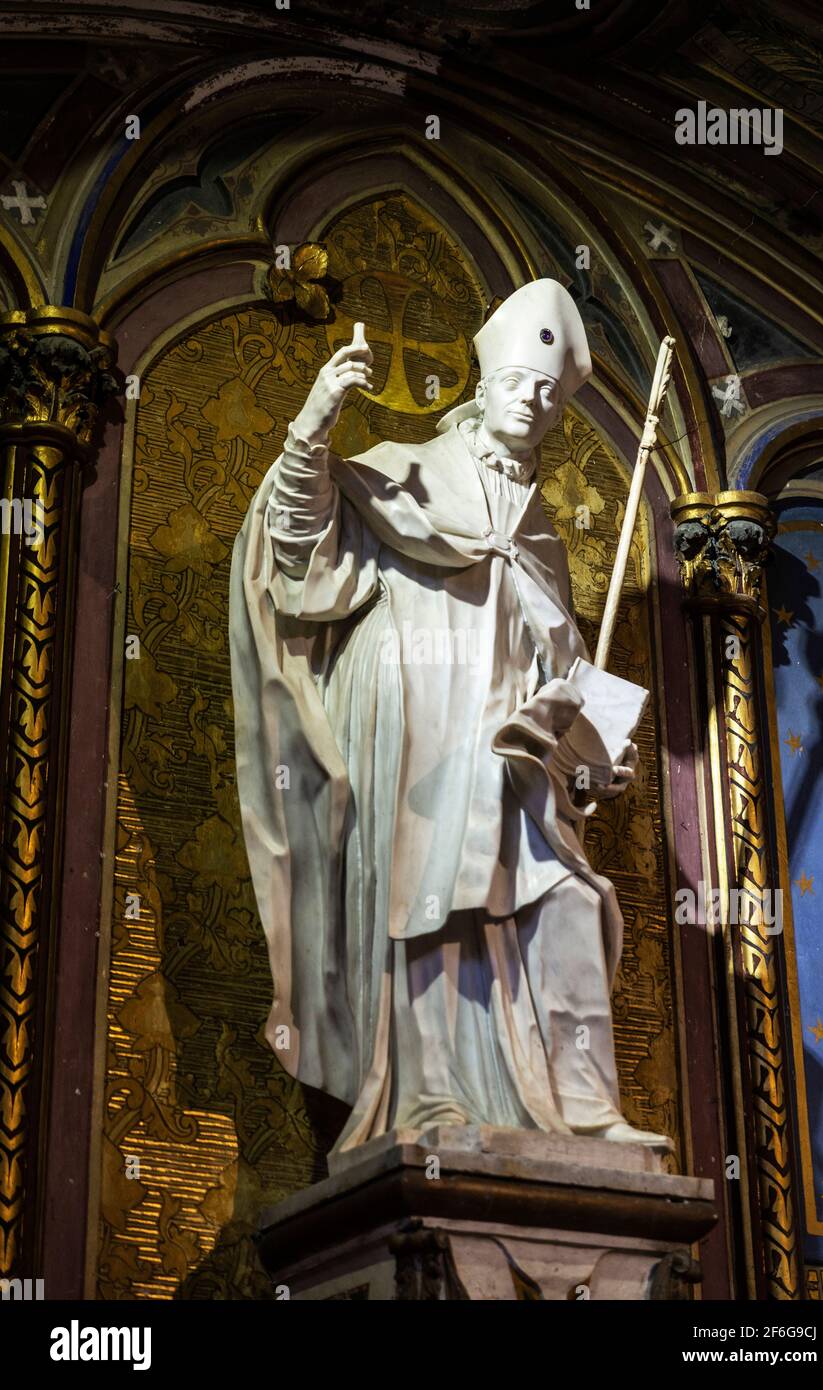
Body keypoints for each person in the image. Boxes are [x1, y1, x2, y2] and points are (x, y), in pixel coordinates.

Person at [229, 278, 673, 1153]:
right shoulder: (404, 473)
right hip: (416, 730)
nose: (535, 400)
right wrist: (315, 421)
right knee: (430, 894)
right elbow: (301, 563)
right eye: (521, 384)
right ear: (485, 385)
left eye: (550, 394)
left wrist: (589, 762)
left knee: (570, 902)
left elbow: (563, 673)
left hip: (514, 755)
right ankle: (425, 1101)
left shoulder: (539, 530)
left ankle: (582, 1108)